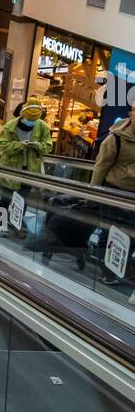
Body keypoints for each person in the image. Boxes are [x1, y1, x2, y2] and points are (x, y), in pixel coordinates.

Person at [91, 106, 135, 283]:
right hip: (114, 191)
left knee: (131, 235)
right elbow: (100, 166)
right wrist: (93, 194)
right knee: (110, 231)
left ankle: (119, 266)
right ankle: (106, 269)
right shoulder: (115, 139)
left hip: (133, 197)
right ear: (132, 115)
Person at [0, 100, 53, 237]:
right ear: (23, 114)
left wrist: (38, 146)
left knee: (23, 200)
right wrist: (19, 145)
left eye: (34, 119)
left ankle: (17, 225)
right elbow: (2, 145)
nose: (31, 122)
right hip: (11, 168)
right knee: (6, 197)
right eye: (29, 119)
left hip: (30, 169)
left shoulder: (42, 127)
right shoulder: (10, 127)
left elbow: (48, 146)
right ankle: (0, 224)